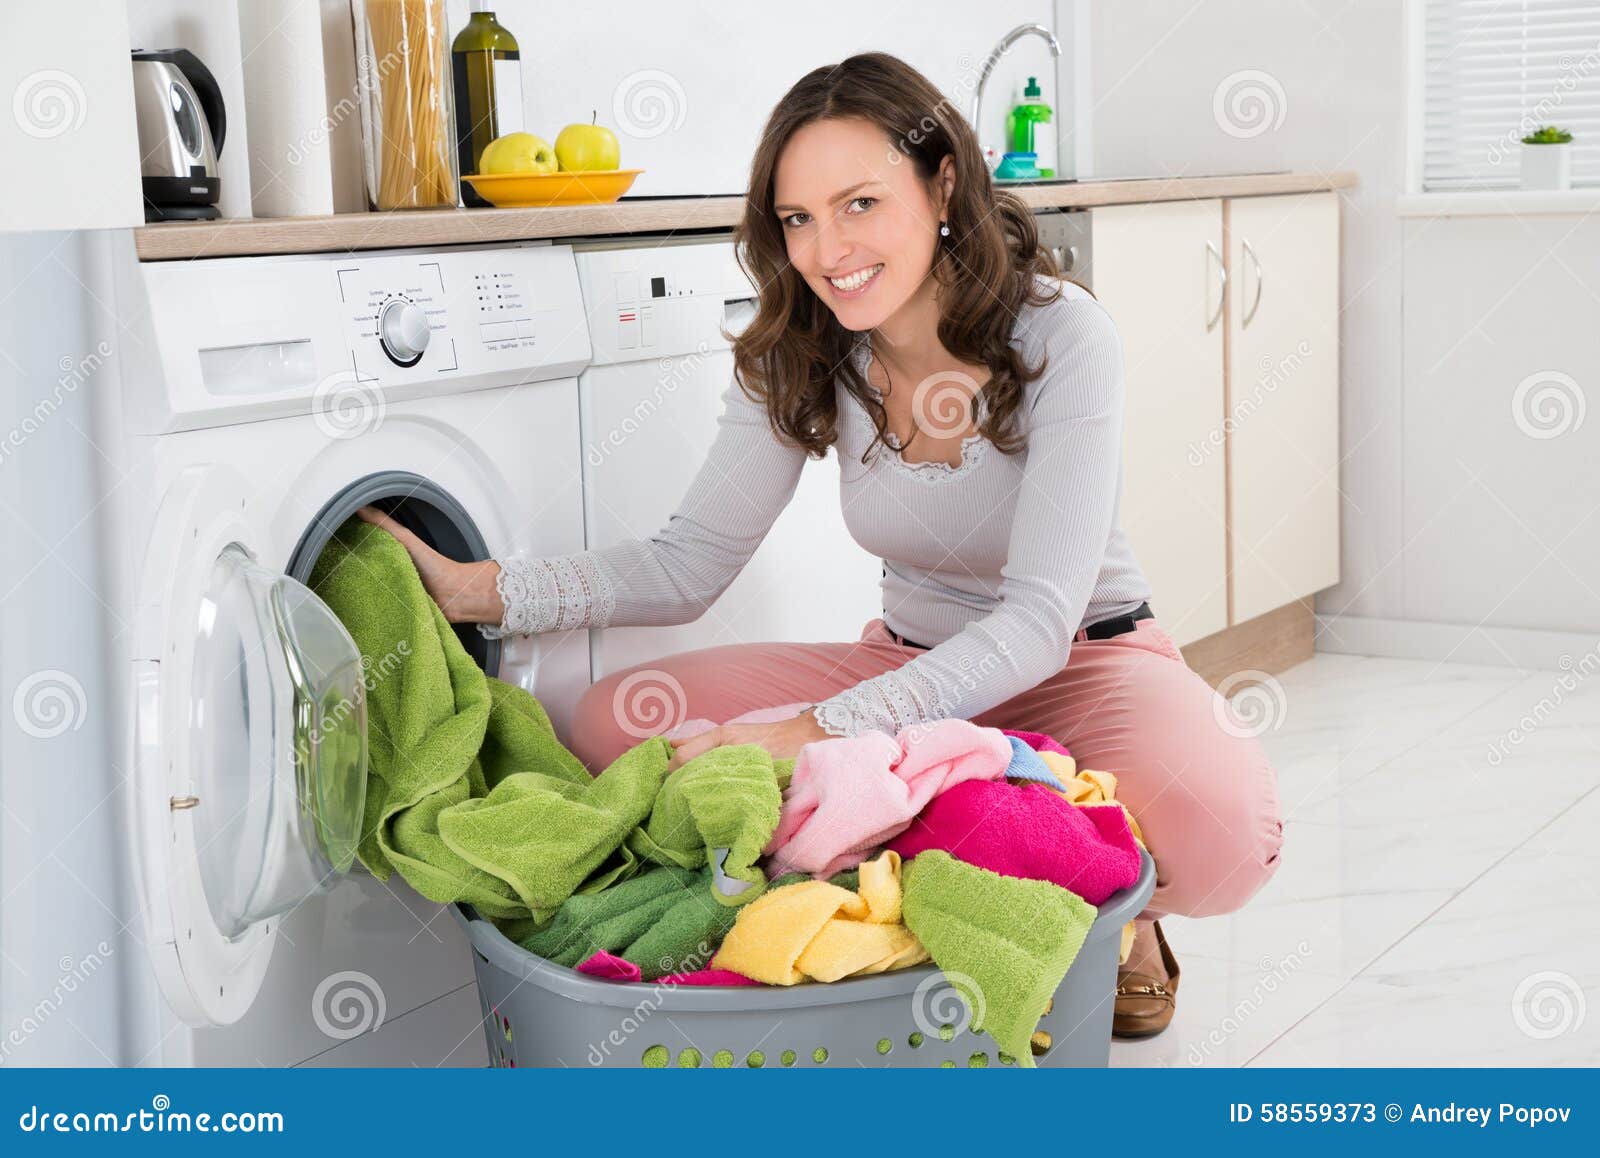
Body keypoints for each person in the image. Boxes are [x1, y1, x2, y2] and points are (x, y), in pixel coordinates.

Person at [362, 51, 1282, 1039]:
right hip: (909, 667)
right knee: (607, 727)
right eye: (797, 218)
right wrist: (482, 590)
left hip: (1083, 664)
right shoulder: (802, 346)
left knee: (1225, 837)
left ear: (942, 186)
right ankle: (992, 857)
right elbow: (687, 563)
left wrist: (820, 730)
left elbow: (1037, 623)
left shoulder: (1062, 336)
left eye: (859, 204)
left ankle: (1117, 909)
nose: (825, 249)